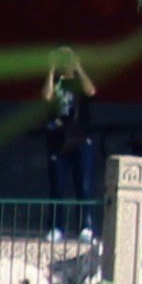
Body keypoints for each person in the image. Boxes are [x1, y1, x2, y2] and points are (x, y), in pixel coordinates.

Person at [42, 46, 98, 227]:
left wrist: (78, 68)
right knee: (57, 185)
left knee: (84, 185)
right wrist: (51, 70)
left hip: (81, 138)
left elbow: (91, 91)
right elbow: (46, 96)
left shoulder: (79, 82)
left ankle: (86, 226)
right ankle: (56, 227)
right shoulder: (55, 81)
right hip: (58, 140)